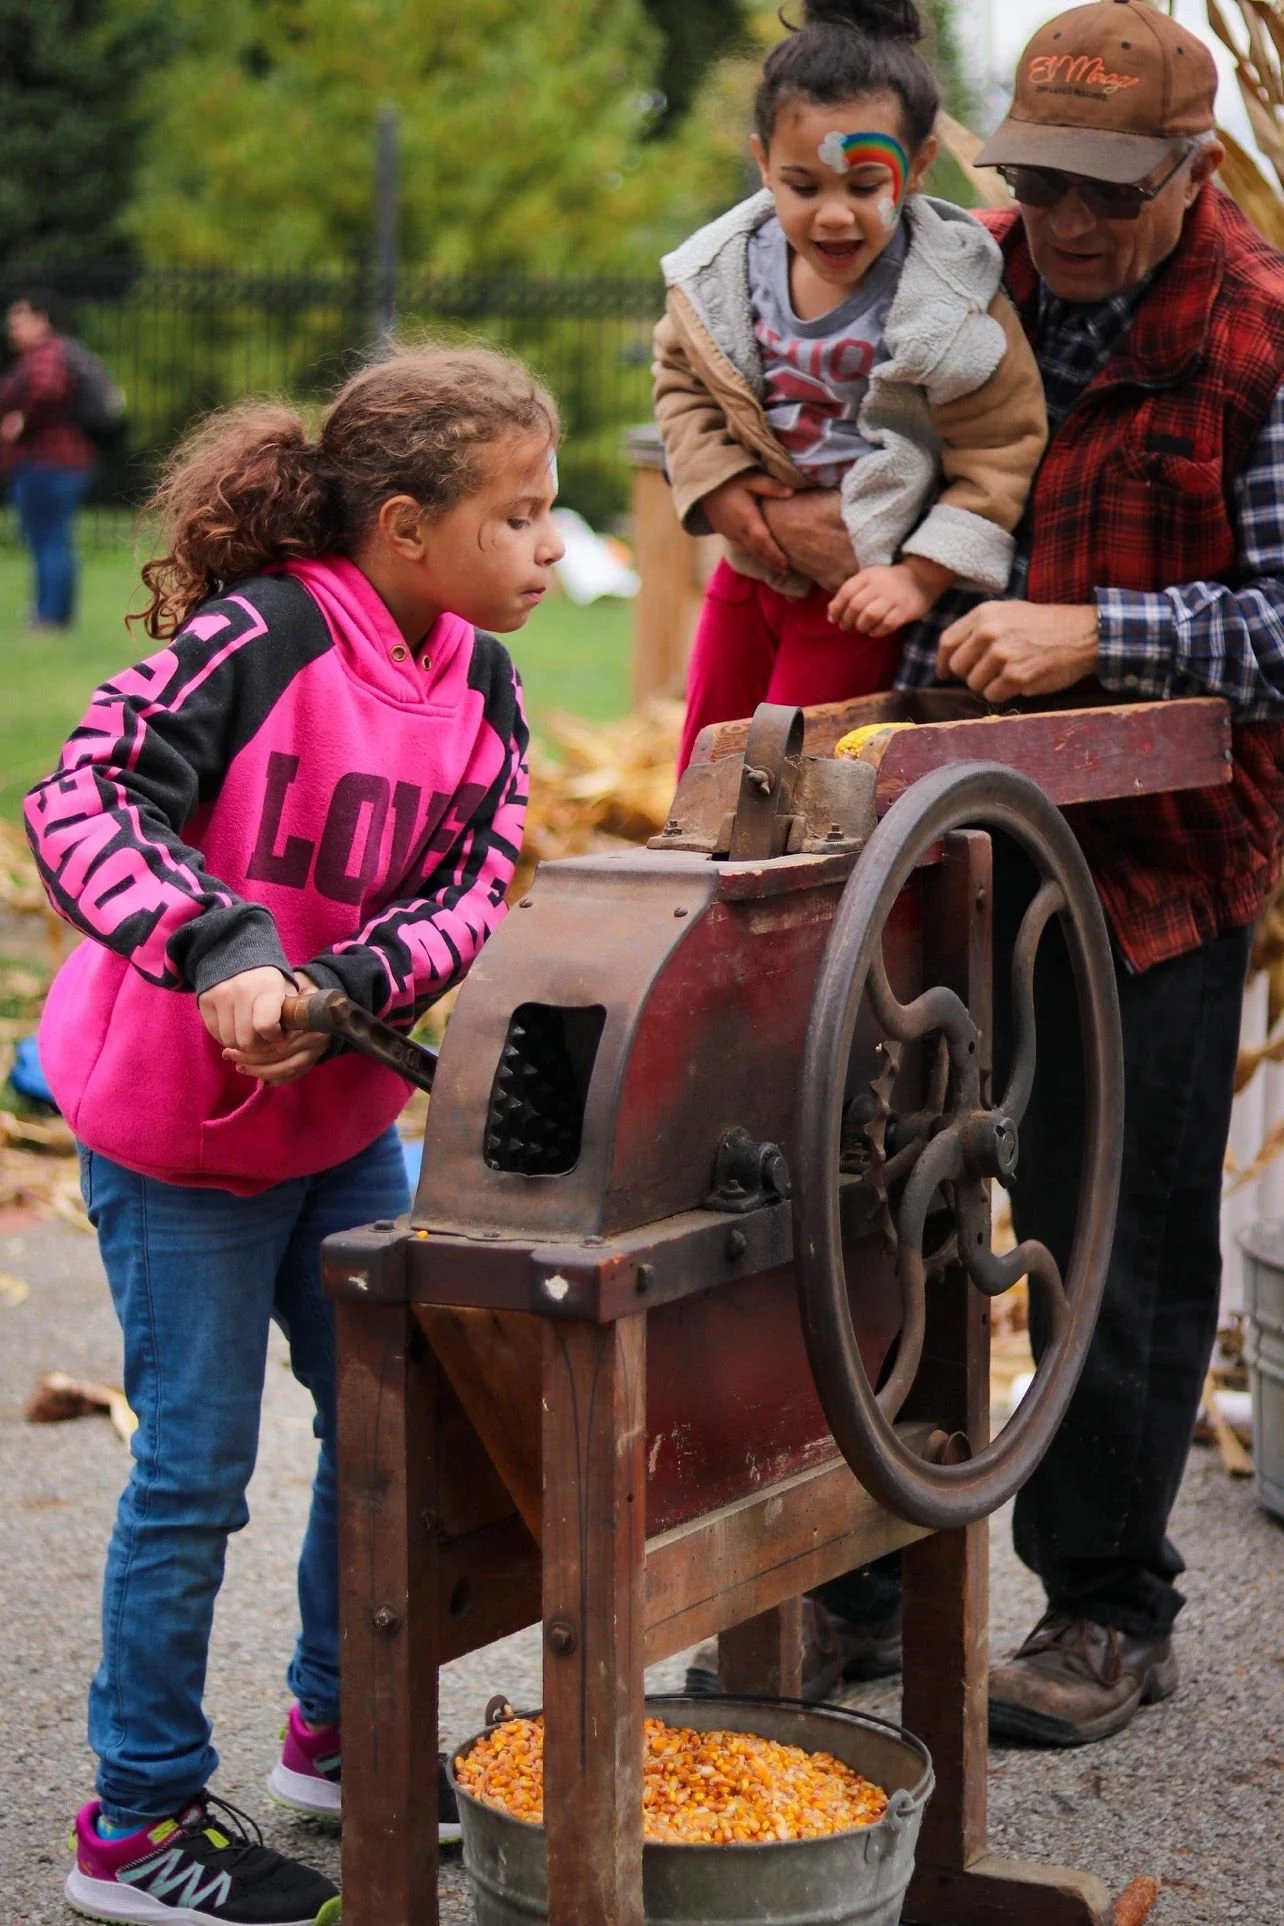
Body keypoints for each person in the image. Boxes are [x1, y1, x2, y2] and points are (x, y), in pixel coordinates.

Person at [750, 0, 1284, 1746]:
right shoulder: (954, 283)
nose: (1057, 222)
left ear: (1187, 173)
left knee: (1098, 1233)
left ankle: (1104, 1609)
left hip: (1150, 865)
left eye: (1098, 195)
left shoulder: (1257, 335)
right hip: (933, 839)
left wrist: (1094, 635)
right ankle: (845, 1584)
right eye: (1035, 181)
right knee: (869, 1202)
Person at [24, 345, 564, 1922]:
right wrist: (220, 946)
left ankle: (341, 1723)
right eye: (517, 513)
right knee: (192, 1469)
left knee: (385, 1429)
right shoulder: (260, 638)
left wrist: (333, 983)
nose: (549, 543)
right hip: (173, 1134)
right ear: (407, 526)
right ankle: (132, 1823)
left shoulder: (481, 679)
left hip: (338, 1126)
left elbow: (472, 883)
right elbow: (84, 794)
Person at [654, 0, 1048, 773]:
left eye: (867, 186)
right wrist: (726, 493)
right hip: (748, 572)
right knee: (704, 767)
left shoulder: (948, 304)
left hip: (851, 598)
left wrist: (919, 574)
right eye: (802, 186)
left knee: (794, 786)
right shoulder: (724, 279)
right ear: (763, 161)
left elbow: (1001, 446)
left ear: (921, 164)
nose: (834, 217)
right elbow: (681, 382)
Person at [1, 289, 96, 629]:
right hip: (60, 463)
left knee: (48, 539)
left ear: (42, 320)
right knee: (52, 538)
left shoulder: (46, 356)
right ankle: (53, 612)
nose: (12, 328)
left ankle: (48, 616)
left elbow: (46, 391)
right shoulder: (47, 355)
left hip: (48, 463)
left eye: (19, 319)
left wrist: (20, 419)